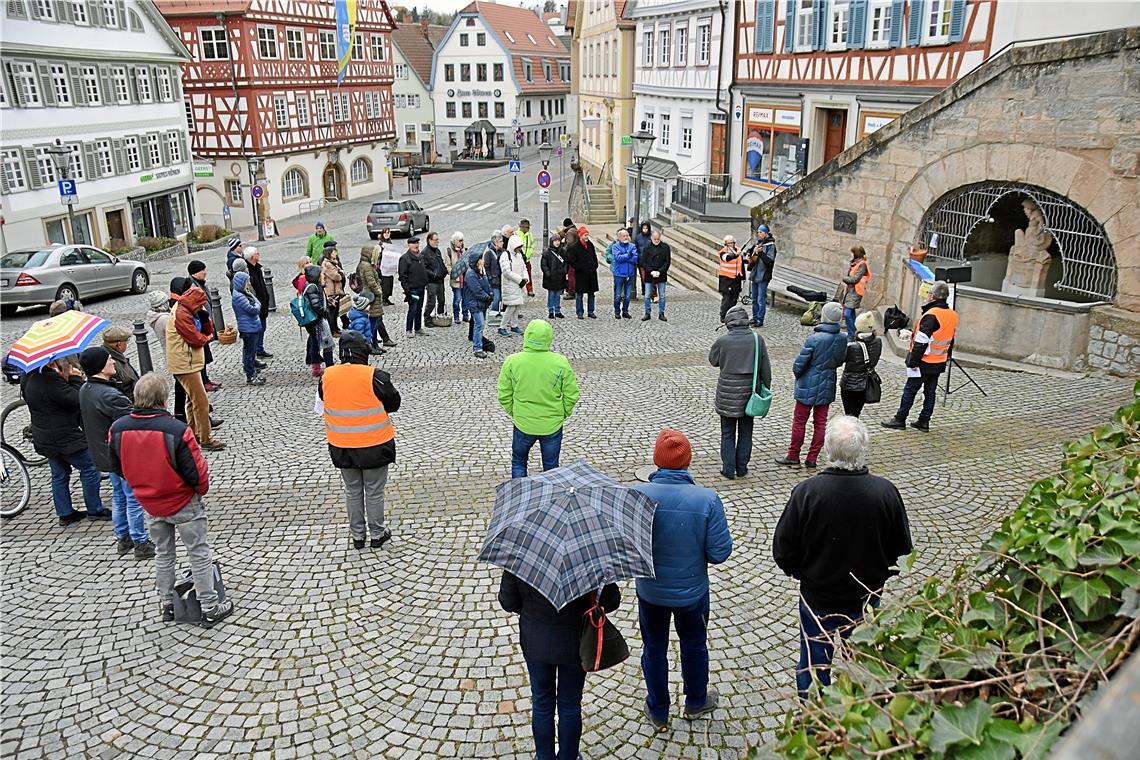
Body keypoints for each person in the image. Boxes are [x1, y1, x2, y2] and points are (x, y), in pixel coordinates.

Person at [772, 415, 912, 701]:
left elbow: (783, 550)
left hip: (818, 594)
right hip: (866, 595)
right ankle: (858, 717)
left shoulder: (807, 493)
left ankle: (813, 722)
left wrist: (804, 572)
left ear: (827, 450)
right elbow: (901, 546)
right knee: (862, 664)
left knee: (814, 664)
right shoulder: (885, 492)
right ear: (863, 450)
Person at [109, 372, 235, 627]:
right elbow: (196, 471)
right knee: (198, 553)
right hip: (182, 500)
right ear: (163, 400)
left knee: (164, 554)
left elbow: (117, 467)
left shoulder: (118, 429)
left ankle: (167, 604)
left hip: (150, 501)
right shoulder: (177, 431)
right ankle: (210, 606)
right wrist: (199, 490)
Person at [633, 429, 733, 731]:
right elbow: (719, 553)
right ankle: (696, 700)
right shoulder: (707, 500)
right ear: (688, 461)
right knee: (694, 644)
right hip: (692, 594)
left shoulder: (637, 497)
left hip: (650, 592)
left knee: (653, 648)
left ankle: (659, 710)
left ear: (656, 461)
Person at [499, 573, 619, 760]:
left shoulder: (522, 553)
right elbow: (611, 601)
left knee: (542, 702)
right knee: (570, 704)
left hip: (536, 641)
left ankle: (544, 757)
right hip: (575, 642)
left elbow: (508, 602)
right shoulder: (591, 556)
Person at [318, 331, 402, 549]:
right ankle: (377, 533)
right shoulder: (375, 376)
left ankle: (357, 536)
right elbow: (393, 403)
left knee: (352, 490)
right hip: (374, 444)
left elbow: (323, 401)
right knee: (374, 490)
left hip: (341, 445)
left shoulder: (327, 376)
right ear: (364, 351)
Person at [77, 346, 155, 558]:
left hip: (104, 454)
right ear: (101, 367)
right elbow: (132, 426)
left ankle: (123, 538)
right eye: (109, 359)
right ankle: (140, 542)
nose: (113, 362)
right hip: (122, 456)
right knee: (132, 497)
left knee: (119, 496)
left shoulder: (86, 389)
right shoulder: (111, 396)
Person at [22, 357, 111, 524]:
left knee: (59, 474)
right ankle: (95, 509)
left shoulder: (28, 377)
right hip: (64, 437)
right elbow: (76, 399)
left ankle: (65, 513)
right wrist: (75, 379)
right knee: (90, 468)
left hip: (44, 435)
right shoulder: (49, 379)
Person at [497, 320, 579, 477]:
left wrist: (514, 411)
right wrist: (563, 413)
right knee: (551, 467)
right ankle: (551, 497)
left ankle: (519, 495)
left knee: (519, 461)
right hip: (552, 423)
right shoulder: (560, 362)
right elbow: (571, 393)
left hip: (523, 422)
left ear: (527, 336)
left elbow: (503, 393)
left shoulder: (513, 361)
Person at [775, 302, 848, 469]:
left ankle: (793, 455)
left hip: (808, 382)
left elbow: (799, 364)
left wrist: (799, 375)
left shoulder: (814, 339)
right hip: (828, 381)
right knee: (820, 422)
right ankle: (812, 458)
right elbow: (840, 360)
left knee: (800, 421)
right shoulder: (843, 338)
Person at [881, 281, 958, 432]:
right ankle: (924, 421)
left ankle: (900, 419)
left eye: (929, 293)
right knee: (930, 392)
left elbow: (921, 342)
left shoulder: (931, 315)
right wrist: (947, 357)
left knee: (910, 390)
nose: (927, 296)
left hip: (924, 361)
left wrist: (913, 362)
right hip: (939, 361)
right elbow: (951, 339)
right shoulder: (953, 315)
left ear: (933, 296)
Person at [709, 305, 772, 479]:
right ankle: (742, 467)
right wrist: (766, 388)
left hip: (727, 394)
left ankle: (728, 469)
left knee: (727, 432)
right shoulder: (757, 339)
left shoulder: (723, 341)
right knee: (746, 432)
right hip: (749, 393)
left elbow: (713, 361)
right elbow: (765, 368)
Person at [167, 284, 224, 451]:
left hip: (188, 362)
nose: (201, 307)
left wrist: (205, 319)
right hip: (185, 363)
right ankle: (206, 438)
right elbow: (196, 339)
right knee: (201, 402)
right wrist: (207, 337)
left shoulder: (187, 309)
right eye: (200, 305)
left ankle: (194, 433)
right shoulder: (182, 314)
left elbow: (205, 330)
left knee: (192, 402)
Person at [186, 260, 220, 392]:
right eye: (203, 270)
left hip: (204, 324)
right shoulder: (192, 286)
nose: (205, 272)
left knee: (204, 355)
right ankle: (203, 381)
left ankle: (205, 379)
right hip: (198, 326)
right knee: (201, 356)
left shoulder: (200, 284)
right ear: (196, 272)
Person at [840, 311, 881, 418]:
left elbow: (841, 360)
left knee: (848, 413)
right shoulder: (878, 342)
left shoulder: (852, 346)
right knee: (856, 413)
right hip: (865, 383)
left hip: (849, 383)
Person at [357, 245, 395, 351]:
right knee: (373, 323)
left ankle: (375, 344)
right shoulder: (366, 266)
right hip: (372, 297)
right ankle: (372, 345)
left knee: (376, 320)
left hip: (373, 296)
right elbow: (371, 282)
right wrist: (379, 291)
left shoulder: (367, 265)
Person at [231, 270, 265, 386]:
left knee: (250, 351)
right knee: (249, 353)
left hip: (251, 326)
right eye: (247, 281)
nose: (249, 284)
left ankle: (251, 372)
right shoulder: (239, 296)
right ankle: (250, 375)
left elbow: (256, 302)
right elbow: (254, 308)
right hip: (248, 328)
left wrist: (256, 302)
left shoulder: (244, 293)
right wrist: (257, 304)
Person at [300, 264, 336, 375]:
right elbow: (316, 305)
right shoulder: (312, 287)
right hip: (317, 321)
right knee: (327, 342)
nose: (322, 275)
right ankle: (329, 366)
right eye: (321, 274)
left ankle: (316, 367)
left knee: (315, 342)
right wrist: (325, 313)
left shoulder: (313, 285)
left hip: (314, 321)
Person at [464, 250, 494, 359]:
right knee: (479, 324)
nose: (483, 261)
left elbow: (486, 286)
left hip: (482, 303)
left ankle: (479, 343)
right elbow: (477, 291)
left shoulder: (480, 272)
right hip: (475, 304)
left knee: (481, 325)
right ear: (477, 261)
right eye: (481, 259)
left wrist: (484, 274)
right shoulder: (471, 274)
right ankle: (477, 348)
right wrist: (487, 297)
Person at [397, 236, 430, 337]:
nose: (416, 245)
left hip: (421, 287)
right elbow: (402, 276)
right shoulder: (405, 258)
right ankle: (409, 329)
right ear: (409, 245)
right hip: (412, 289)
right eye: (413, 243)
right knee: (413, 309)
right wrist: (407, 290)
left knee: (419, 308)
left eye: (417, 243)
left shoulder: (420, 256)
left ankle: (418, 327)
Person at [498, 234, 529, 337]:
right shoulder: (505, 255)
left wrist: (525, 278)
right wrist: (519, 279)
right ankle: (502, 326)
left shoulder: (519, 255)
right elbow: (506, 272)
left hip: (519, 284)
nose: (519, 249)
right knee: (511, 306)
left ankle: (514, 325)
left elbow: (524, 267)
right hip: (510, 285)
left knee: (517, 305)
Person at [244, 247, 272, 359]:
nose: (259, 255)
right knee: (258, 329)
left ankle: (260, 349)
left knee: (262, 328)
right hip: (256, 305)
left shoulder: (257, 269)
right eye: (257, 253)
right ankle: (256, 350)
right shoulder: (248, 271)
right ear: (252, 257)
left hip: (262, 303)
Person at [746, 225, 776, 327]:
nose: (759, 234)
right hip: (755, 273)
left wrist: (761, 253)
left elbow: (770, 262)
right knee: (754, 298)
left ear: (766, 233)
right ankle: (754, 317)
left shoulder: (771, 246)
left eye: (761, 232)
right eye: (758, 232)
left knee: (760, 299)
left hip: (763, 275)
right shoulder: (759, 243)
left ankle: (760, 319)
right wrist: (751, 252)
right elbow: (752, 255)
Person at [567, 226, 599, 319]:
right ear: (580, 236)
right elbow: (572, 261)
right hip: (581, 274)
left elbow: (594, 256)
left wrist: (594, 266)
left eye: (587, 235)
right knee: (579, 294)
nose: (586, 237)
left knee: (591, 294)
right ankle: (579, 312)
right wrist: (579, 267)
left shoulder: (590, 245)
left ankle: (591, 311)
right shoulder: (575, 247)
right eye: (585, 235)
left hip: (591, 273)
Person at [841, 246, 871, 339]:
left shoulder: (862, 264)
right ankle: (854, 332)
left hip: (856, 291)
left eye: (853, 252)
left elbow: (855, 279)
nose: (851, 254)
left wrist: (844, 279)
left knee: (847, 313)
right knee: (851, 312)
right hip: (851, 291)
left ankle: (851, 334)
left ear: (856, 253)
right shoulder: (855, 263)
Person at [102, 325, 140, 399]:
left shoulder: (117, 355)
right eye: (126, 341)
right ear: (119, 344)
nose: (127, 344)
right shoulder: (110, 363)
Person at [640, 229, 671, 321]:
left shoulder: (665, 247)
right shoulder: (647, 247)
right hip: (650, 274)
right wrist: (651, 271)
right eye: (655, 239)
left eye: (658, 239)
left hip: (661, 274)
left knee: (662, 295)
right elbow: (643, 262)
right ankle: (647, 312)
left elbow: (667, 261)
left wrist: (660, 271)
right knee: (647, 295)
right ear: (651, 238)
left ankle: (661, 313)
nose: (656, 241)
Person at [319, 242, 348, 337]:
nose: (336, 253)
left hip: (335, 290)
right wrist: (340, 274)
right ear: (329, 253)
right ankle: (332, 330)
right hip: (331, 291)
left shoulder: (333, 262)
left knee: (335, 312)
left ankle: (336, 328)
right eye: (334, 251)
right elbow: (336, 276)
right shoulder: (327, 264)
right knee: (332, 312)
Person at [610, 229, 638, 320]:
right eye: (624, 236)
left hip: (629, 274)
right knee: (618, 295)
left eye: (627, 235)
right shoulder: (615, 246)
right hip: (619, 274)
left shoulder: (632, 246)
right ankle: (617, 312)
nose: (626, 237)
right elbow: (618, 258)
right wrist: (628, 255)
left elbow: (635, 258)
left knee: (627, 296)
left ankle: (625, 311)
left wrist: (626, 256)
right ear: (619, 237)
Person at [421, 232, 449, 325]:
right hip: (431, 281)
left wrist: (444, 271)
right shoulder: (425, 253)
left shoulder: (437, 251)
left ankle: (440, 316)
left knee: (441, 300)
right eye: (435, 239)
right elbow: (424, 269)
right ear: (430, 240)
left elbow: (440, 263)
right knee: (431, 302)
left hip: (440, 280)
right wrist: (434, 274)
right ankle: (427, 319)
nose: (437, 241)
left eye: (438, 239)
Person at [717, 235, 746, 323]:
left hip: (736, 278)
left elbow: (741, 261)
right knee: (727, 298)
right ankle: (723, 315)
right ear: (725, 244)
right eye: (728, 244)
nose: (730, 245)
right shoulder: (723, 252)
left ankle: (732, 314)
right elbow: (727, 258)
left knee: (735, 297)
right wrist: (735, 255)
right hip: (726, 279)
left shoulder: (738, 250)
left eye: (732, 243)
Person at [540, 233, 568, 319]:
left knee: (558, 295)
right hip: (551, 278)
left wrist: (564, 271)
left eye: (558, 241)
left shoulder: (563, 251)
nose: (557, 242)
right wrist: (548, 273)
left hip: (560, 277)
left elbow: (566, 262)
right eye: (555, 241)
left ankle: (558, 310)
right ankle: (551, 311)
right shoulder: (547, 252)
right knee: (551, 295)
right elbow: (544, 265)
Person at [445, 232, 469, 324]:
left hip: (465, 279)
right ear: (454, 241)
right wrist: (453, 272)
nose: (461, 242)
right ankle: (456, 316)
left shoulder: (464, 251)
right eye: (460, 241)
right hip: (456, 279)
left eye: (462, 240)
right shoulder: (449, 251)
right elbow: (448, 265)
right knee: (457, 299)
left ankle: (465, 315)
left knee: (465, 299)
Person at [483, 233, 506, 316]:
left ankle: (500, 314)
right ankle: (493, 314)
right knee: (496, 298)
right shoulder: (489, 253)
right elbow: (486, 267)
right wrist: (490, 277)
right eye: (500, 241)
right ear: (495, 242)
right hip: (494, 281)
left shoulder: (503, 252)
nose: (502, 243)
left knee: (502, 299)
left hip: (502, 279)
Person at [377, 227, 397, 305]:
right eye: (385, 233)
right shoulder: (380, 244)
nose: (387, 234)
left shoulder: (390, 242)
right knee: (385, 283)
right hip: (383, 266)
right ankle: (384, 298)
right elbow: (378, 255)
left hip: (390, 266)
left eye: (388, 233)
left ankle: (387, 297)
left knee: (390, 282)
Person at [518, 218, 537, 297]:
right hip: (519, 259)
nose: (528, 229)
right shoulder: (517, 234)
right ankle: (519, 290)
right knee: (518, 275)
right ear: (522, 227)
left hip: (527, 259)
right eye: (527, 227)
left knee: (528, 275)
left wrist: (529, 255)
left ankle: (530, 290)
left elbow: (532, 246)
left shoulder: (530, 235)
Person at [561, 217, 578, 300]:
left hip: (571, 256)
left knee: (571, 275)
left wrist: (563, 250)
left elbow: (569, 244)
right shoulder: (575, 229)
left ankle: (572, 292)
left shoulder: (570, 232)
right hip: (576, 255)